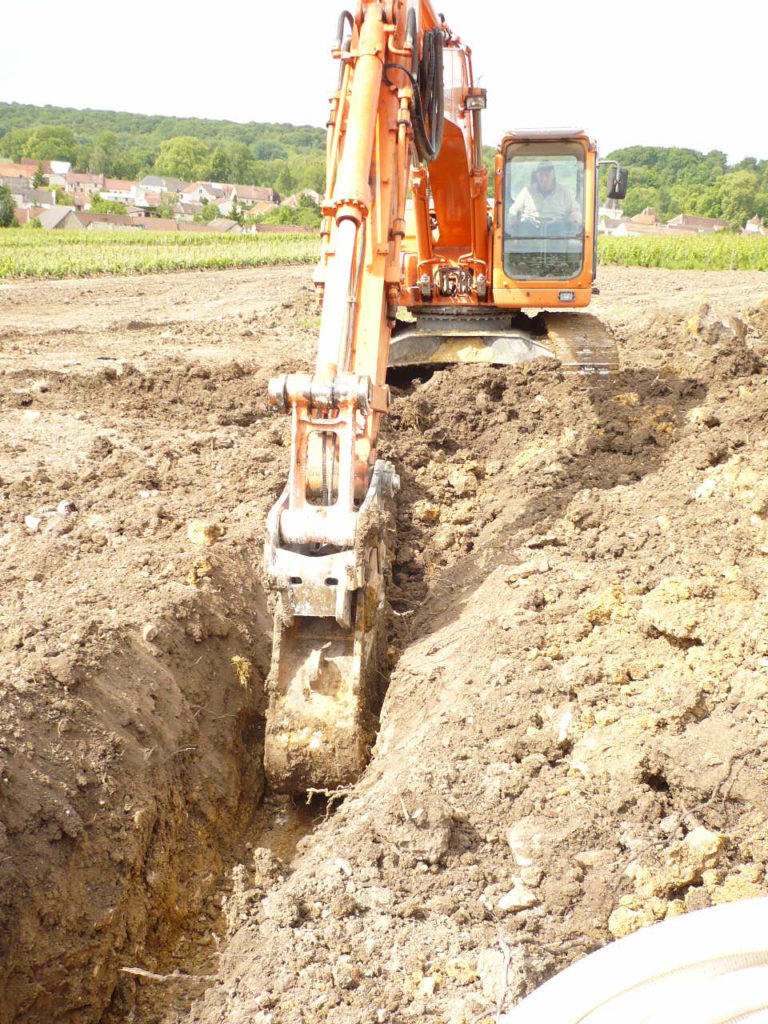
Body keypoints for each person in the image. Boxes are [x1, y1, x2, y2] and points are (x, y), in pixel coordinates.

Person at [508, 161, 581, 231]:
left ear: (553, 175)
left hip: (556, 227)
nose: (543, 179)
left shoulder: (564, 192)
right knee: (525, 226)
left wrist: (574, 218)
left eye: (547, 175)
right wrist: (514, 224)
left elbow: (575, 209)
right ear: (536, 176)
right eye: (541, 175)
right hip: (530, 227)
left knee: (559, 227)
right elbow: (513, 211)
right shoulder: (527, 191)